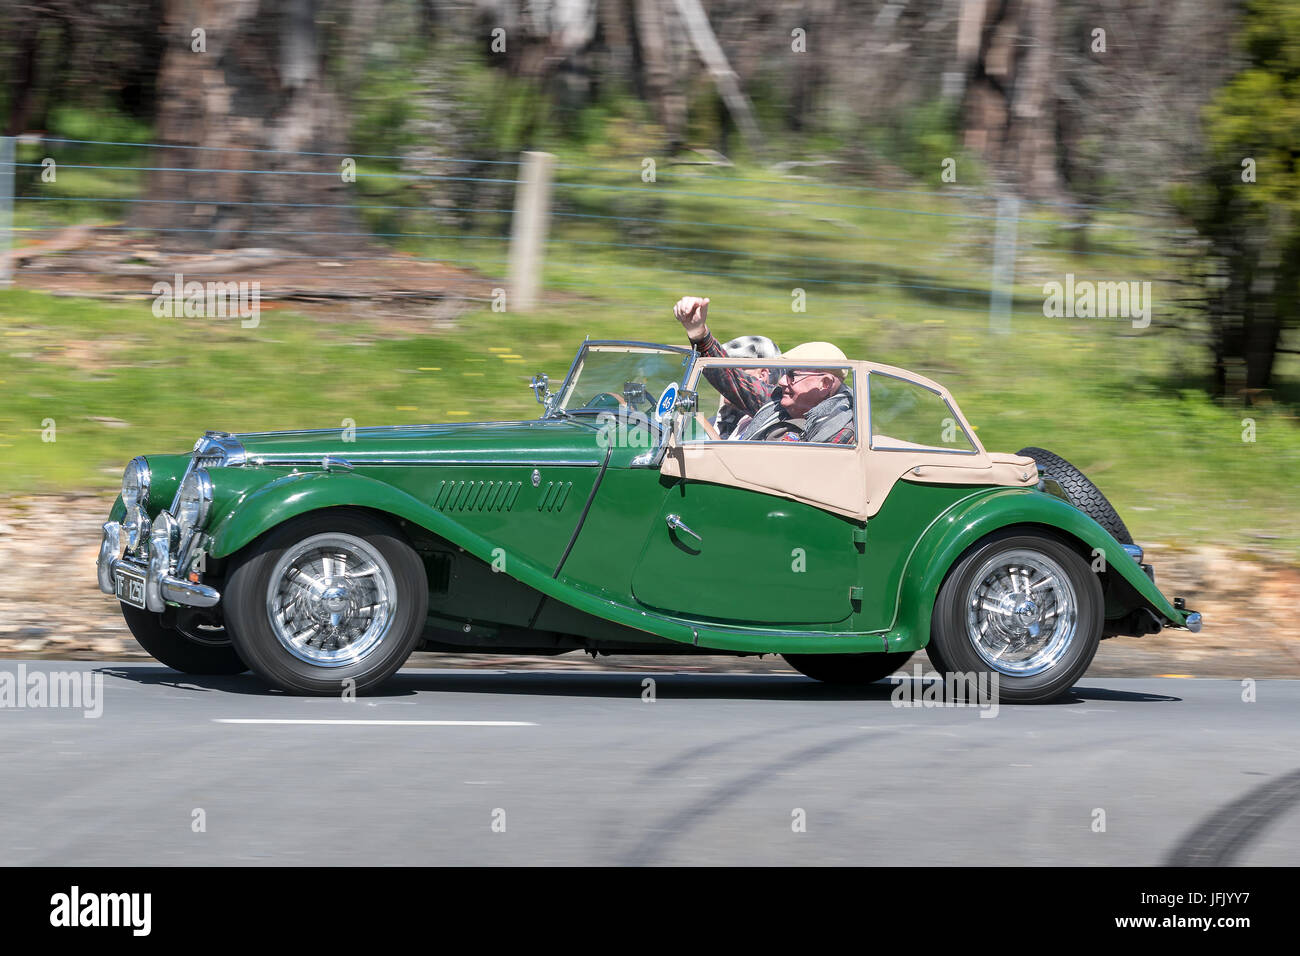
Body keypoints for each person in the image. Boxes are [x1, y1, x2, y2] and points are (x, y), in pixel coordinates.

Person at [672, 295, 855, 444]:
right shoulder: (774, 402)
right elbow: (731, 377)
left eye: (792, 375)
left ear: (824, 383)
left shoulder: (841, 432)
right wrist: (698, 332)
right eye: (784, 374)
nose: (782, 381)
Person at [715, 334, 781, 439]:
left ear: (762, 375)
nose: (725, 378)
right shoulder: (722, 417)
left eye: (735, 373)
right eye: (723, 370)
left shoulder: (765, 426)